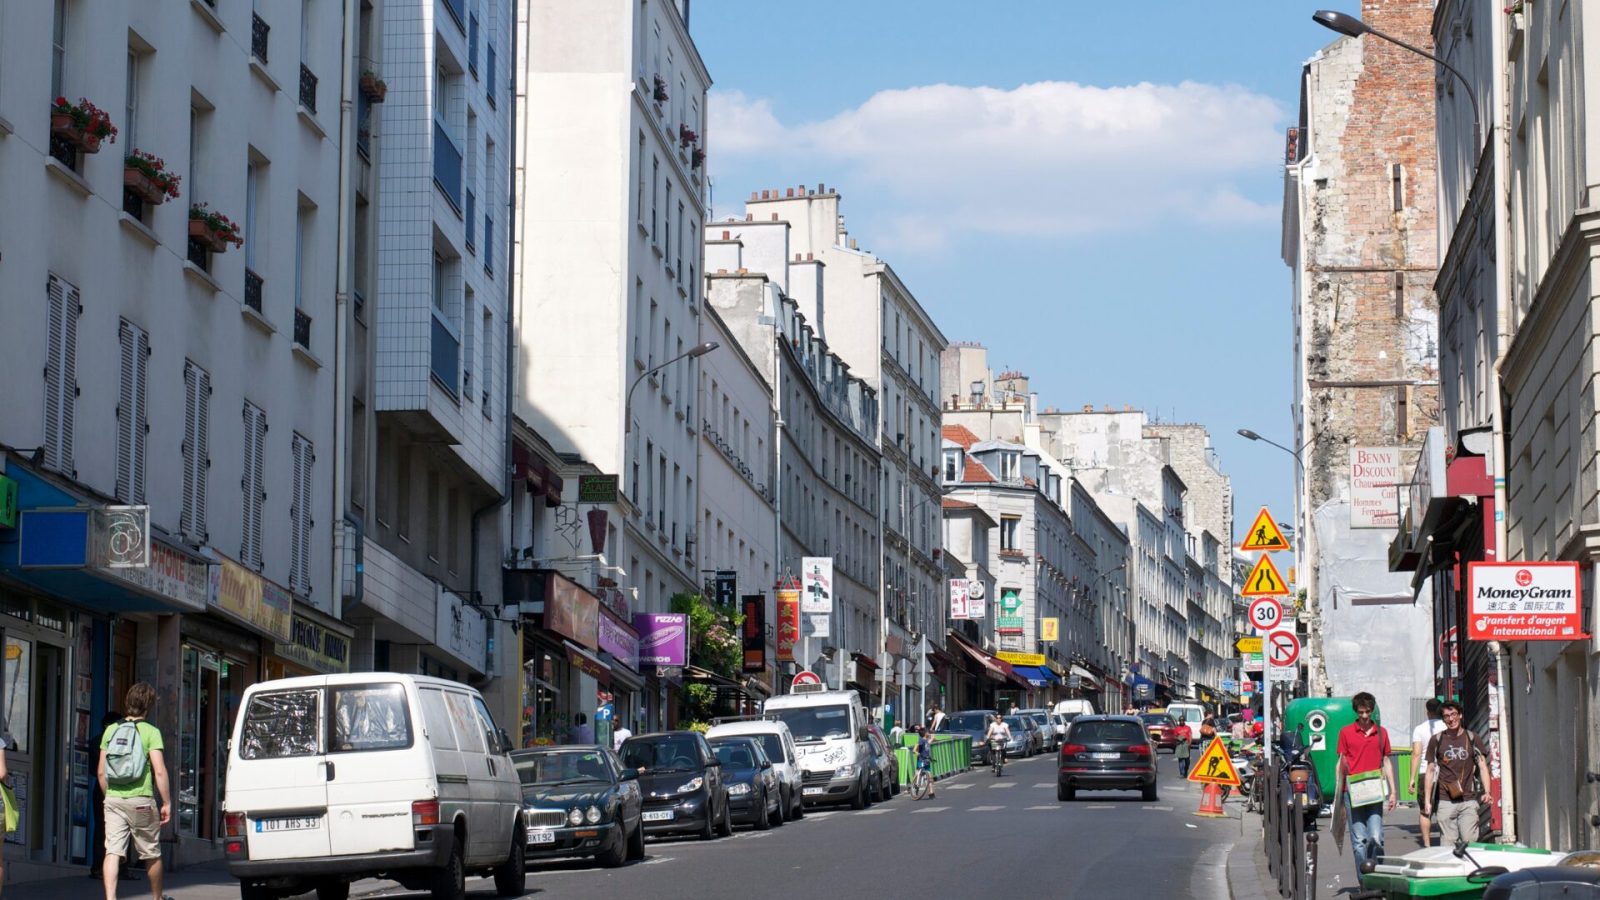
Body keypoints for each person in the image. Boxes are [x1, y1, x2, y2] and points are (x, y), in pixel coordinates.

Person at [99, 683, 171, 900]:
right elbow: (159, 771)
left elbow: (101, 772)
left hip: (113, 798)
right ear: (148, 706)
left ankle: (110, 898)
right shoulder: (151, 732)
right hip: (141, 800)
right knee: (151, 853)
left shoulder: (111, 730)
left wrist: (109, 796)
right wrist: (166, 802)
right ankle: (157, 898)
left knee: (113, 850)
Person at [1334, 692, 1397, 873]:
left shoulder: (1381, 733)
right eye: (1361, 712)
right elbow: (1341, 762)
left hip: (1374, 789)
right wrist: (1338, 796)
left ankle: (1378, 876)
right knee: (1359, 840)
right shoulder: (1346, 732)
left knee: (1376, 837)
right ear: (1356, 711)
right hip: (1352, 791)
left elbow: (1386, 761)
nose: (1364, 716)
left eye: (1368, 712)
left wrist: (1393, 791)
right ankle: (1365, 883)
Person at [1422, 700, 1492, 849]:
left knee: (1470, 842)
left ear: (1460, 715)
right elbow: (1430, 770)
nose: (1451, 719)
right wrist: (1427, 801)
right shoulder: (1436, 740)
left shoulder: (1472, 738)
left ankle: (1471, 871)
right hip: (1445, 800)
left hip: (1468, 799)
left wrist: (1487, 792)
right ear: (1443, 719)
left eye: (1453, 714)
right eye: (1446, 716)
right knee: (1448, 846)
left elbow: (1482, 766)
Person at [1411, 699, 1447, 847]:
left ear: (1427, 712)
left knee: (1425, 810)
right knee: (1445, 809)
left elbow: (1416, 754)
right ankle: (1445, 842)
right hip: (1445, 772)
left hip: (1425, 772)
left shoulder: (1419, 729)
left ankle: (1427, 844)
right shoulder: (1447, 726)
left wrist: (1411, 778)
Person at [914, 726, 936, 798]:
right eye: (927, 732)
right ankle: (915, 787)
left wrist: (932, 733)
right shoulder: (921, 740)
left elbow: (932, 739)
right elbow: (915, 748)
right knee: (919, 775)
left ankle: (931, 792)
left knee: (930, 776)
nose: (928, 733)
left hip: (926, 761)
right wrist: (916, 752)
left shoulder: (926, 741)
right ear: (925, 733)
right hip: (921, 760)